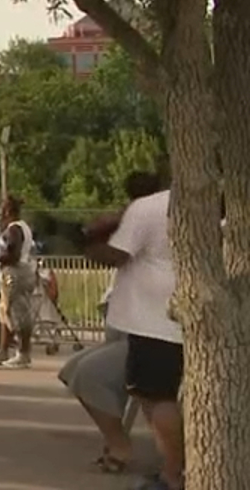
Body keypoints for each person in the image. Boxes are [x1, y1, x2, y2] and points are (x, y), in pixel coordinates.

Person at [58, 171, 162, 475]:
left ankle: (123, 447)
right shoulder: (141, 215)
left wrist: (85, 237)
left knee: (91, 374)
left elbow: (111, 254)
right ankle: (118, 438)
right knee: (73, 369)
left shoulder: (151, 216)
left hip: (151, 332)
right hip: (130, 324)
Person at [88, 175, 182, 490]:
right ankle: (177, 470)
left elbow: (116, 255)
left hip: (153, 322)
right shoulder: (212, 203)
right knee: (159, 395)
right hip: (175, 318)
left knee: (157, 397)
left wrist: (86, 240)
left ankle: (173, 474)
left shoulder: (148, 207)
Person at [0, 195, 39, 367]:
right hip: (19, 270)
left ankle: (23, 353)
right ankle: (3, 350)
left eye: (2, 209)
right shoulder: (22, 227)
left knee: (18, 312)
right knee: (5, 311)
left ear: (7, 210)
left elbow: (13, 253)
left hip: (15, 272)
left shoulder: (14, 229)